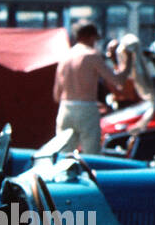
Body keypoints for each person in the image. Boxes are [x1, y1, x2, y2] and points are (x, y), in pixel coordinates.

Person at [53, 20, 131, 155]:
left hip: (65, 109)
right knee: (91, 155)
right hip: (86, 109)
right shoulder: (92, 55)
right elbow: (118, 81)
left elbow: (56, 95)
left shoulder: (65, 56)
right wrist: (128, 61)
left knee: (64, 155)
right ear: (91, 37)